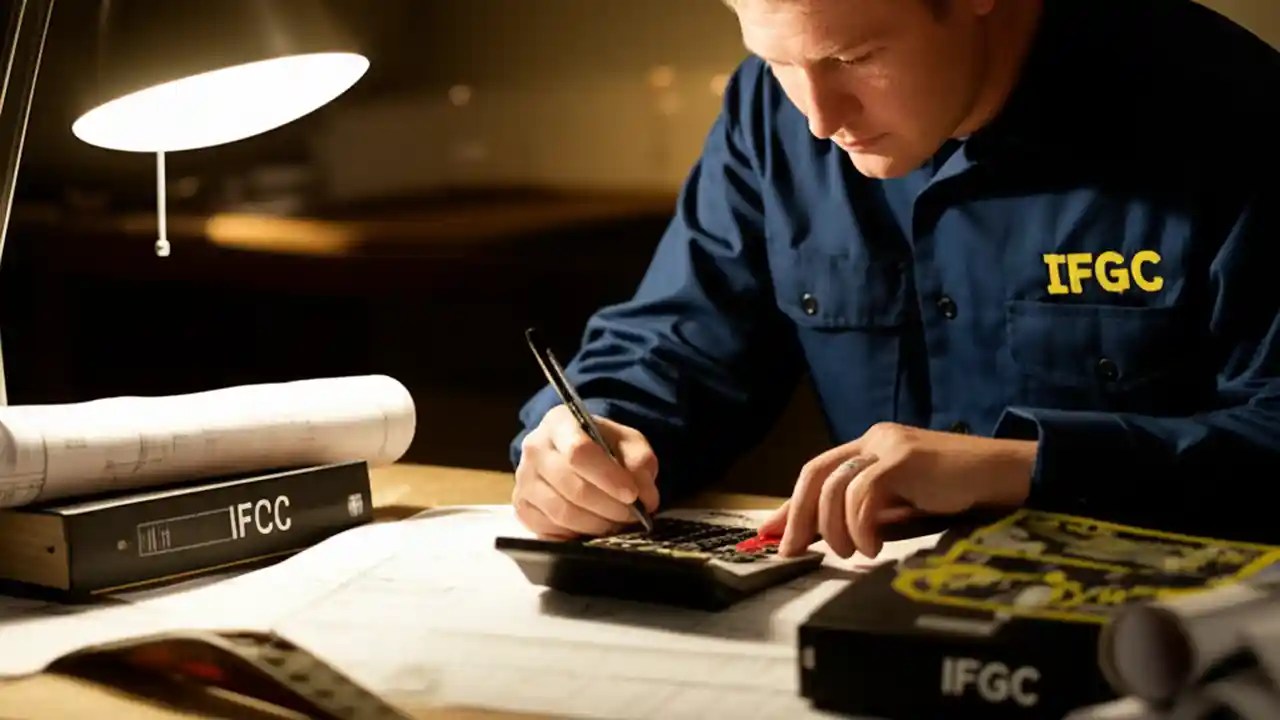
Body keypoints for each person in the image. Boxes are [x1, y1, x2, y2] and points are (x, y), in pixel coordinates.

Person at [509, 0, 1280, 558]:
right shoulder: (770, 117)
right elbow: (679, 339)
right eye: (779, 62)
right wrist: (593, 433)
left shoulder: (1231, 113)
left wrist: (1025, 468)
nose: (817, 117)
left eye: (854, 59)